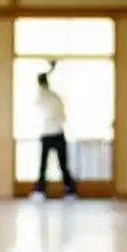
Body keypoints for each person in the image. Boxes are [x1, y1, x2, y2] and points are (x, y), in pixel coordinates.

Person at [31, 61, 77, 201]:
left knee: (61, 164)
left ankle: (69, 191)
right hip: (50, 134)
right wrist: (51, 69)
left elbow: (63, 117)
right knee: (45, 165)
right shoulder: (45, 96)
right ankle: (41, 191)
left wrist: (51, 70)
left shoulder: (52, 97)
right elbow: (41, 79)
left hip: (55, 133)